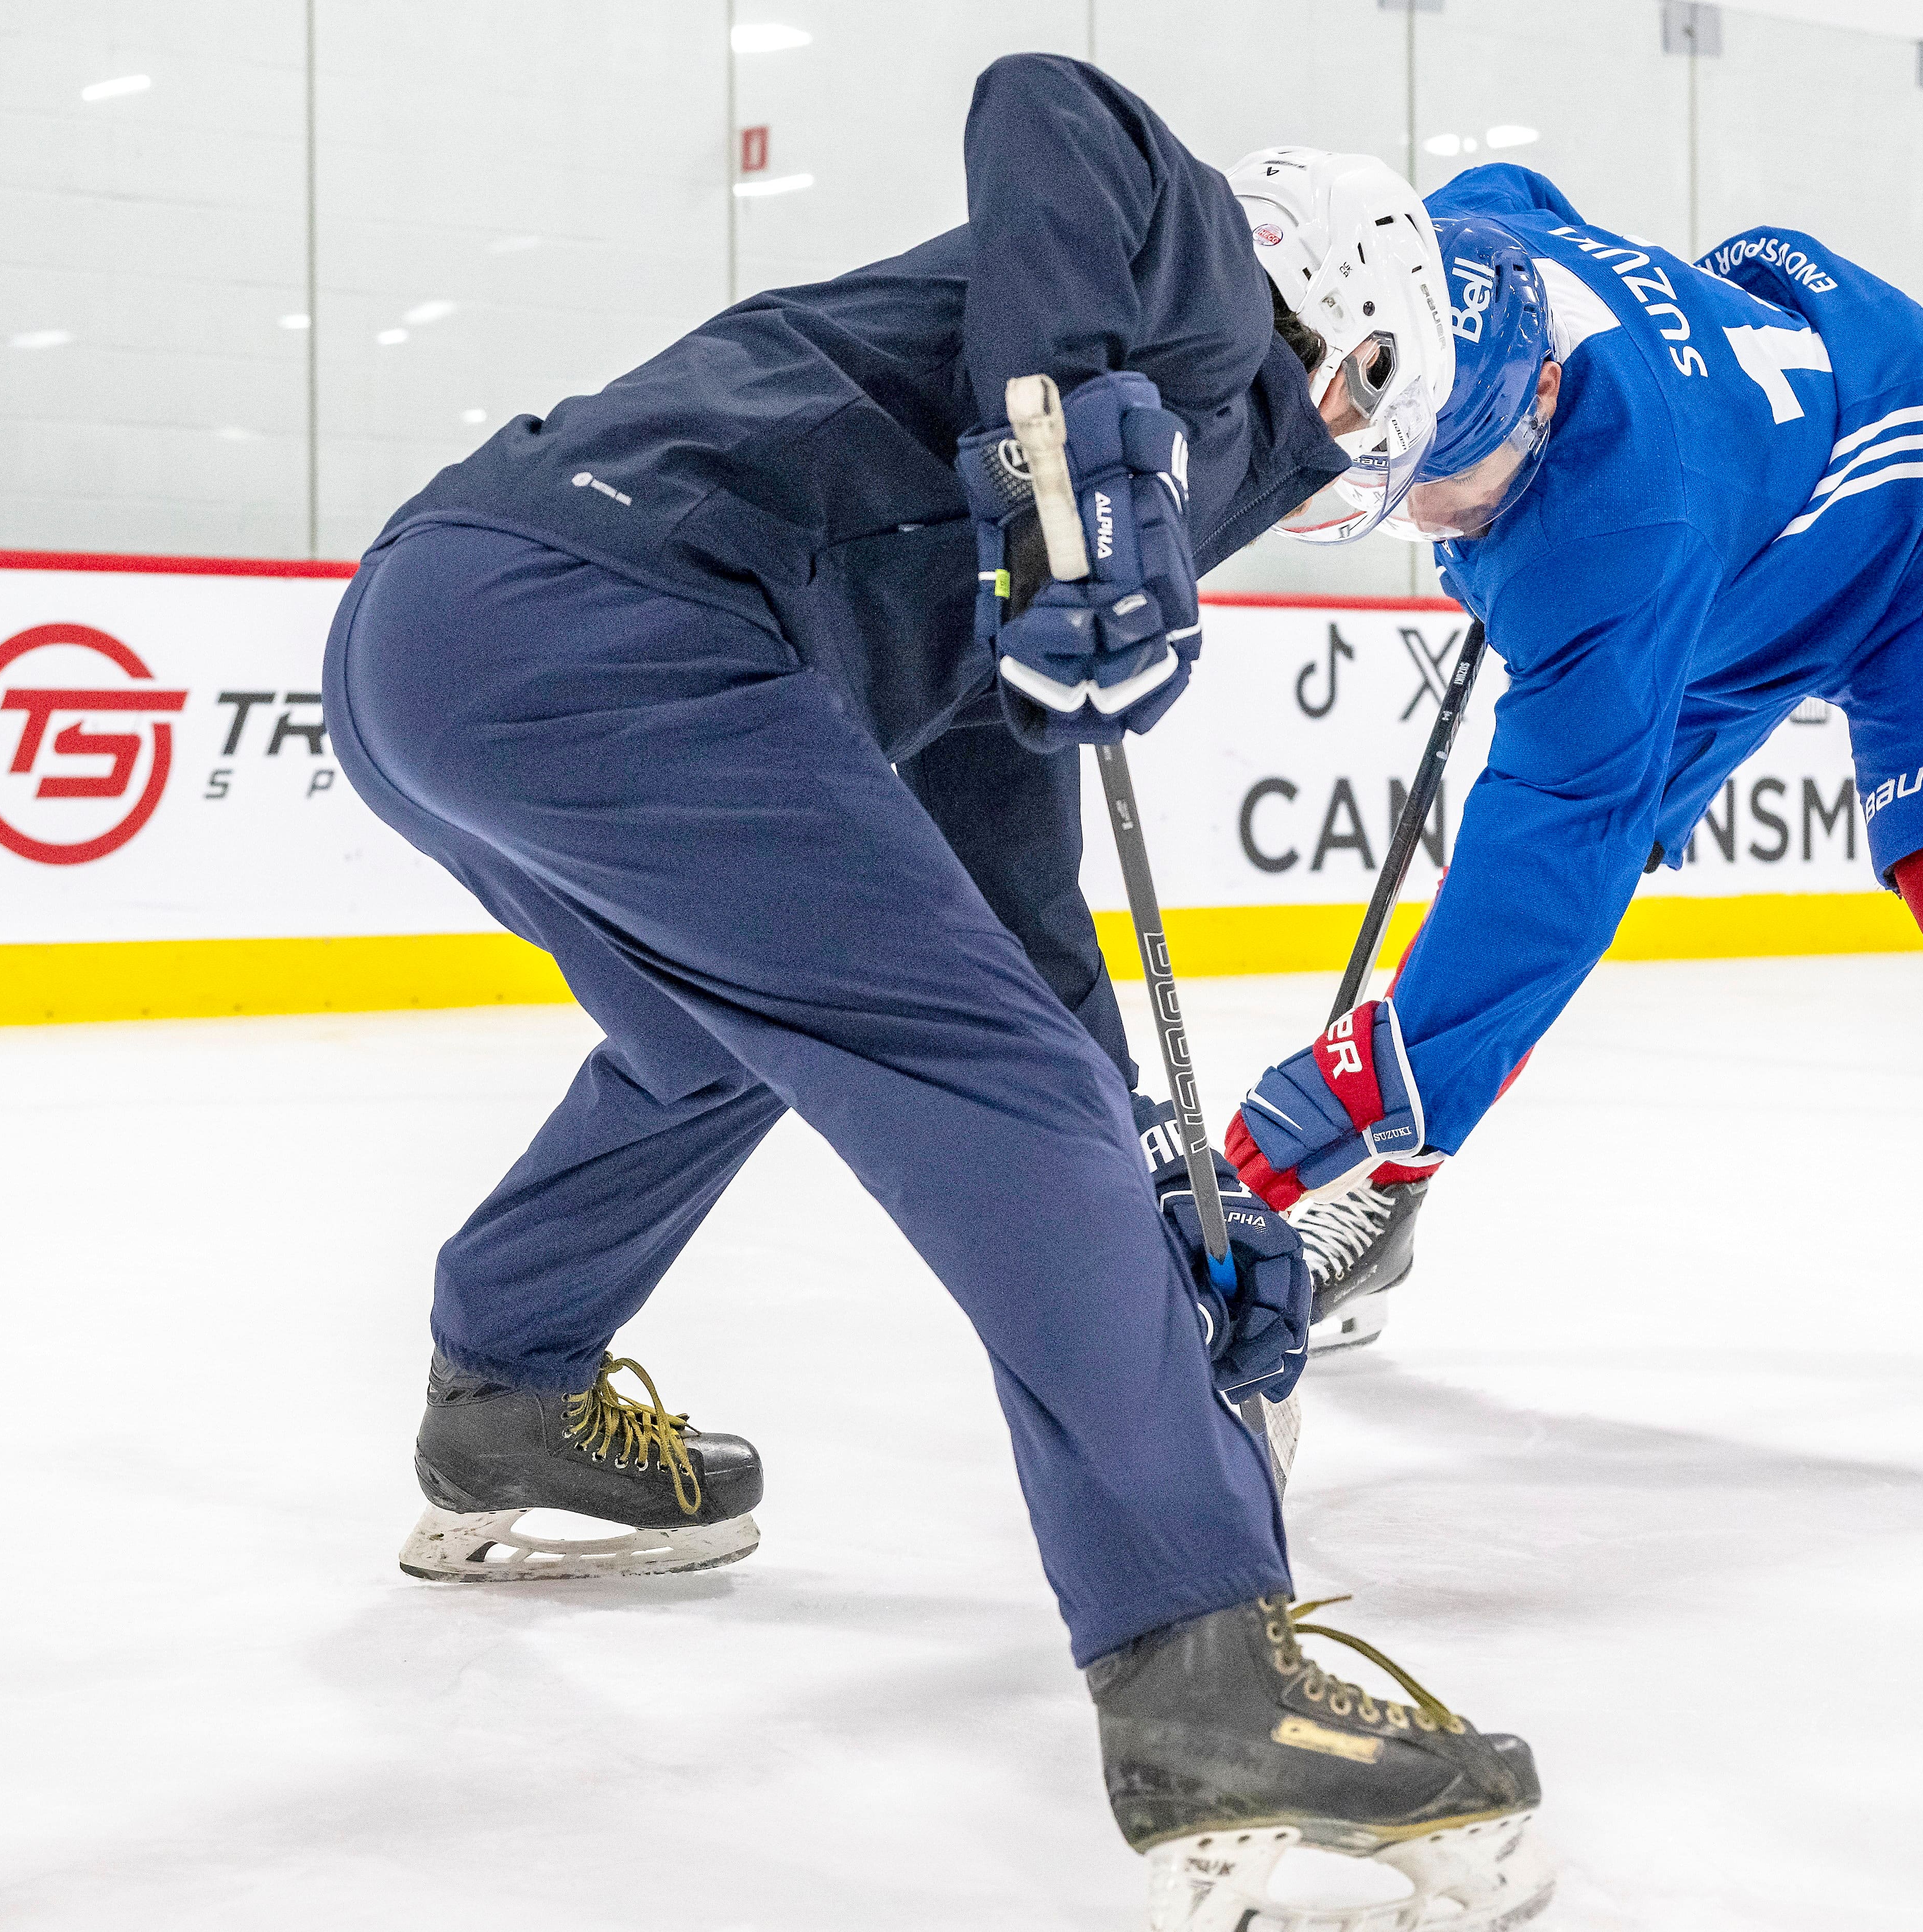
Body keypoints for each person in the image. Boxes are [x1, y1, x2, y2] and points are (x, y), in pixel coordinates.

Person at [322, 57, 1548, 1922]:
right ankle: (1210, 1682)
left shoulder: (1036, 501)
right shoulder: (1206, 307)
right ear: (1356, 348)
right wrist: (1078, 474)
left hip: (433, 631)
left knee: (715, 1040)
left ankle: (511, 1387)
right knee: (998, 1104)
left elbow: (1014, 889)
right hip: (620, 626)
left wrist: (1158, 1180)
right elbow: (1051, 105)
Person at [1225, 162, 1923, 1521]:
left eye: (1445, 486)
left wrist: (1313, 1119)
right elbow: (1522, 188)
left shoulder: (1614, 529)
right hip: (1731, 565)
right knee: (1541, 880)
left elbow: (1548, 868)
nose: (1425, 520)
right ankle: (1393, 1186)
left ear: (1536, 402)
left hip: (1913, 524)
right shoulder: (1453, 255)